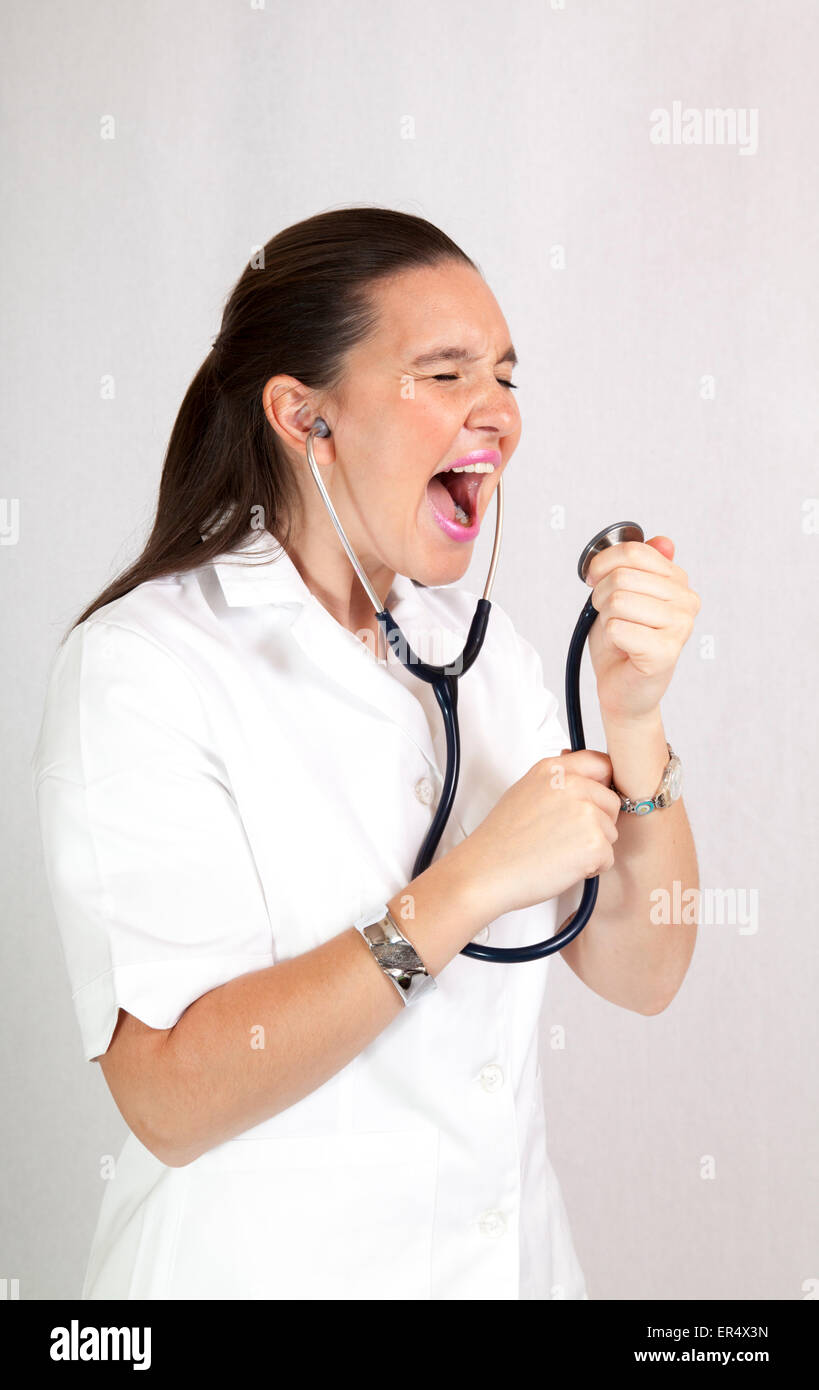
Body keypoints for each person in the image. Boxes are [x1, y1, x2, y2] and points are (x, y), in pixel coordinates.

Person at [31, 205, 700, 1301]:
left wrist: (633, 718)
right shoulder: (146, 666)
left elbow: (643, 969)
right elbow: (170, 1099)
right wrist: (473, 881)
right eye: (444, 375)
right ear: (306, 416)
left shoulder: (479, 655)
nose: (499, 415)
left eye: (506, 377)